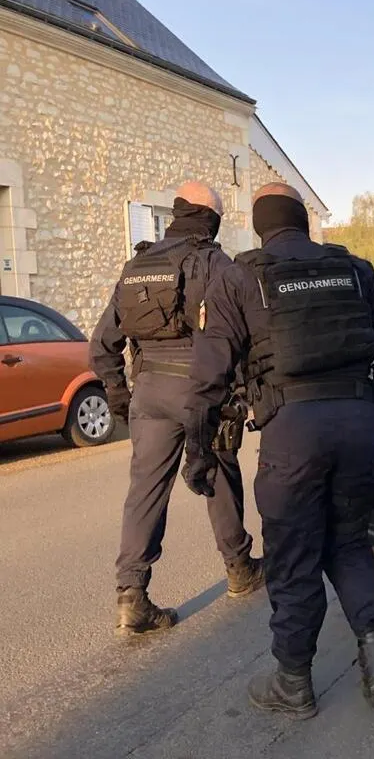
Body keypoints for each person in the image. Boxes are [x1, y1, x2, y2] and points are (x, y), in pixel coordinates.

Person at [181, 182, 374, 720]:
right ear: (303, 220)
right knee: (351, 542)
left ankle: (292, 681)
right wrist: (371, 407)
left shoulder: (239, 277)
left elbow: (208, 376)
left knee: (293, 557)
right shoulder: (356, 271)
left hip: (292, 430)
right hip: (357, 422)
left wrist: (198, 448)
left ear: (261, 225)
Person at [90, 182, 265, 637]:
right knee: (218, 474)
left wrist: (119, 394)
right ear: (210, 218)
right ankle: (240, 569)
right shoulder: (217, 263)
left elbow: (103, 343)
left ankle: (131, 597)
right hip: (202, 391)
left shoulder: (136, 266)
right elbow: (242, 336)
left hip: (148, 390)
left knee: (145, 492)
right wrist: (249, 390)